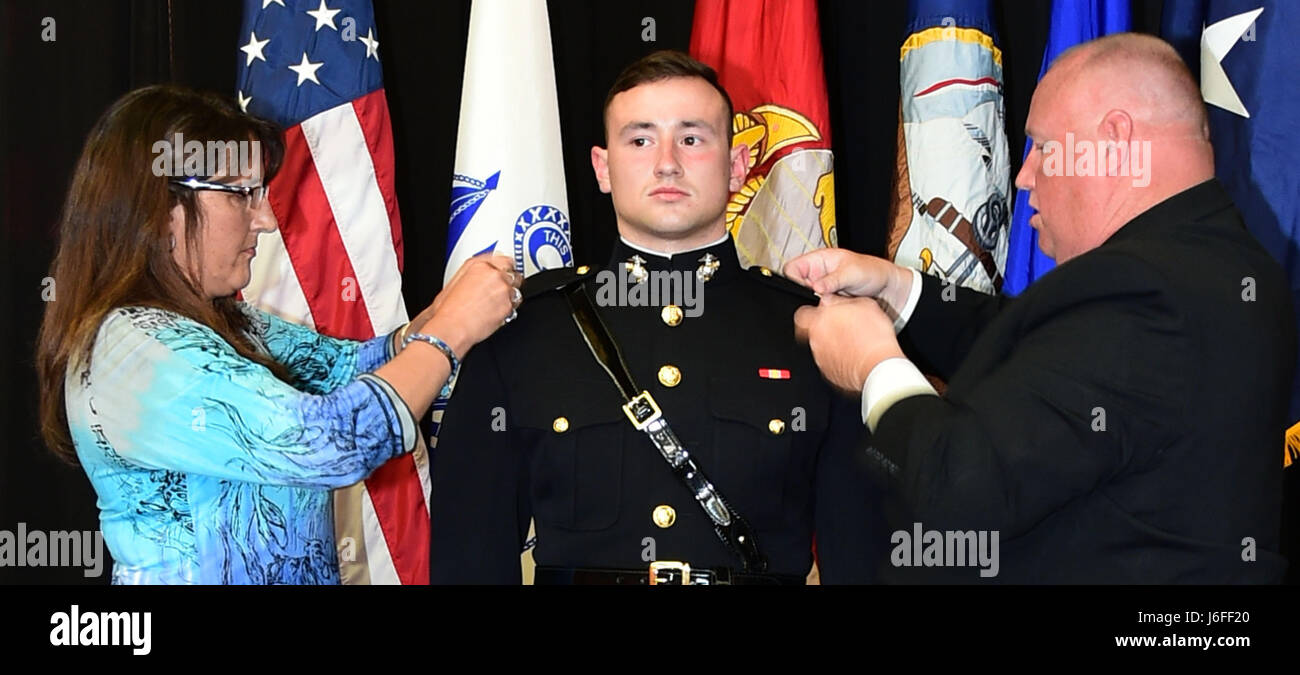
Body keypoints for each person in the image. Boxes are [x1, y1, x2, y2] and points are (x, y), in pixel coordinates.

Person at [786, 33, 1296, 583]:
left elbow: (959, 488)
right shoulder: (1211, 265)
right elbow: (1044, 355)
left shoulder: (1146, 290)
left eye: (1044, 147)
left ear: (1115, 138)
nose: (1025, 179)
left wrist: (872, 366)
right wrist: (895, 288)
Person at [35, 85, 520, 584]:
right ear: (163, 211)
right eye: (242, 194)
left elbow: (351, 370)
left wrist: (443, 309)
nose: (266, 219)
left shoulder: (225, 323)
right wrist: (451, 329)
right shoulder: (133, 349)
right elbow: (326, 440)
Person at [429, 51, 883, 584]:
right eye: (640, 139)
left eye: (692, 138)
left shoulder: (813, 330)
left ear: (737, 166)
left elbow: (860, 551)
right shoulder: (524, 329)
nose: (667, 161)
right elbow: (470, 554)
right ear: (603, 167)